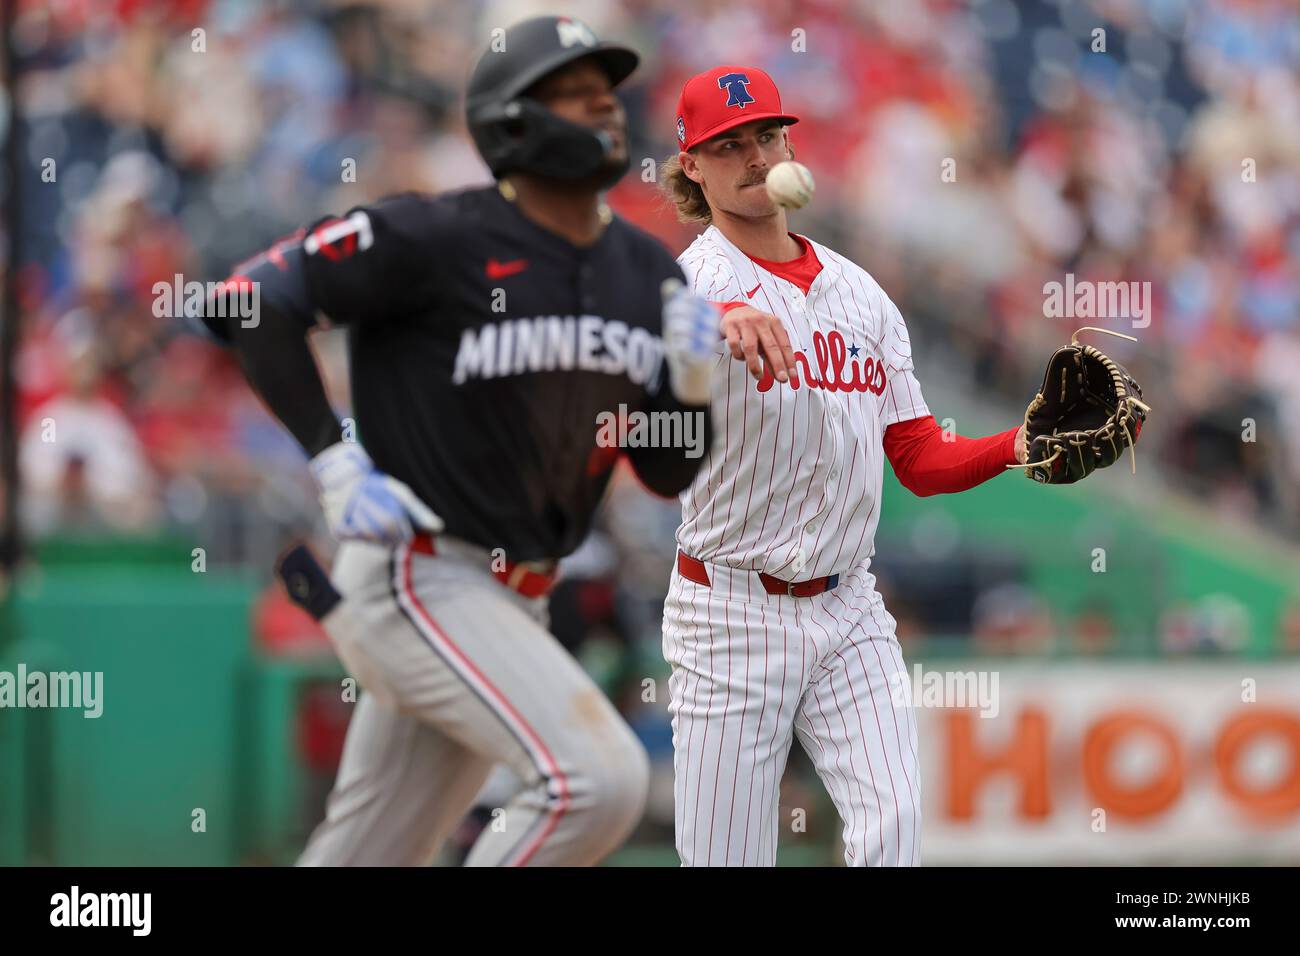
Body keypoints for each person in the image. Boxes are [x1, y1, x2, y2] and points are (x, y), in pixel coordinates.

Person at [198, 16, 720, 867]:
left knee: (368, 852)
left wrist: (693, 387)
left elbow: (666, 471)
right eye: (573, 89)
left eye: (608, 88)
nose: (604, 104)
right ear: (511, 117)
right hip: (420, 572)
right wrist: (333, 457)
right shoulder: (435, 236)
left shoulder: (645, 271)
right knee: (600, 777)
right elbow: (248, 300)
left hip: (518, 599)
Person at [657, 64, 1029, 866]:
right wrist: (715, 320)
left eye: (766, 135)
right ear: (693, 166)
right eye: (729, 146)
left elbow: (921, 458)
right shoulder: (695, 278)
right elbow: (649, 314)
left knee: (893, 828)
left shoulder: (862, 295)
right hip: (729, 609)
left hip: (848, 605)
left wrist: (1017, 447)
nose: (754, 158)